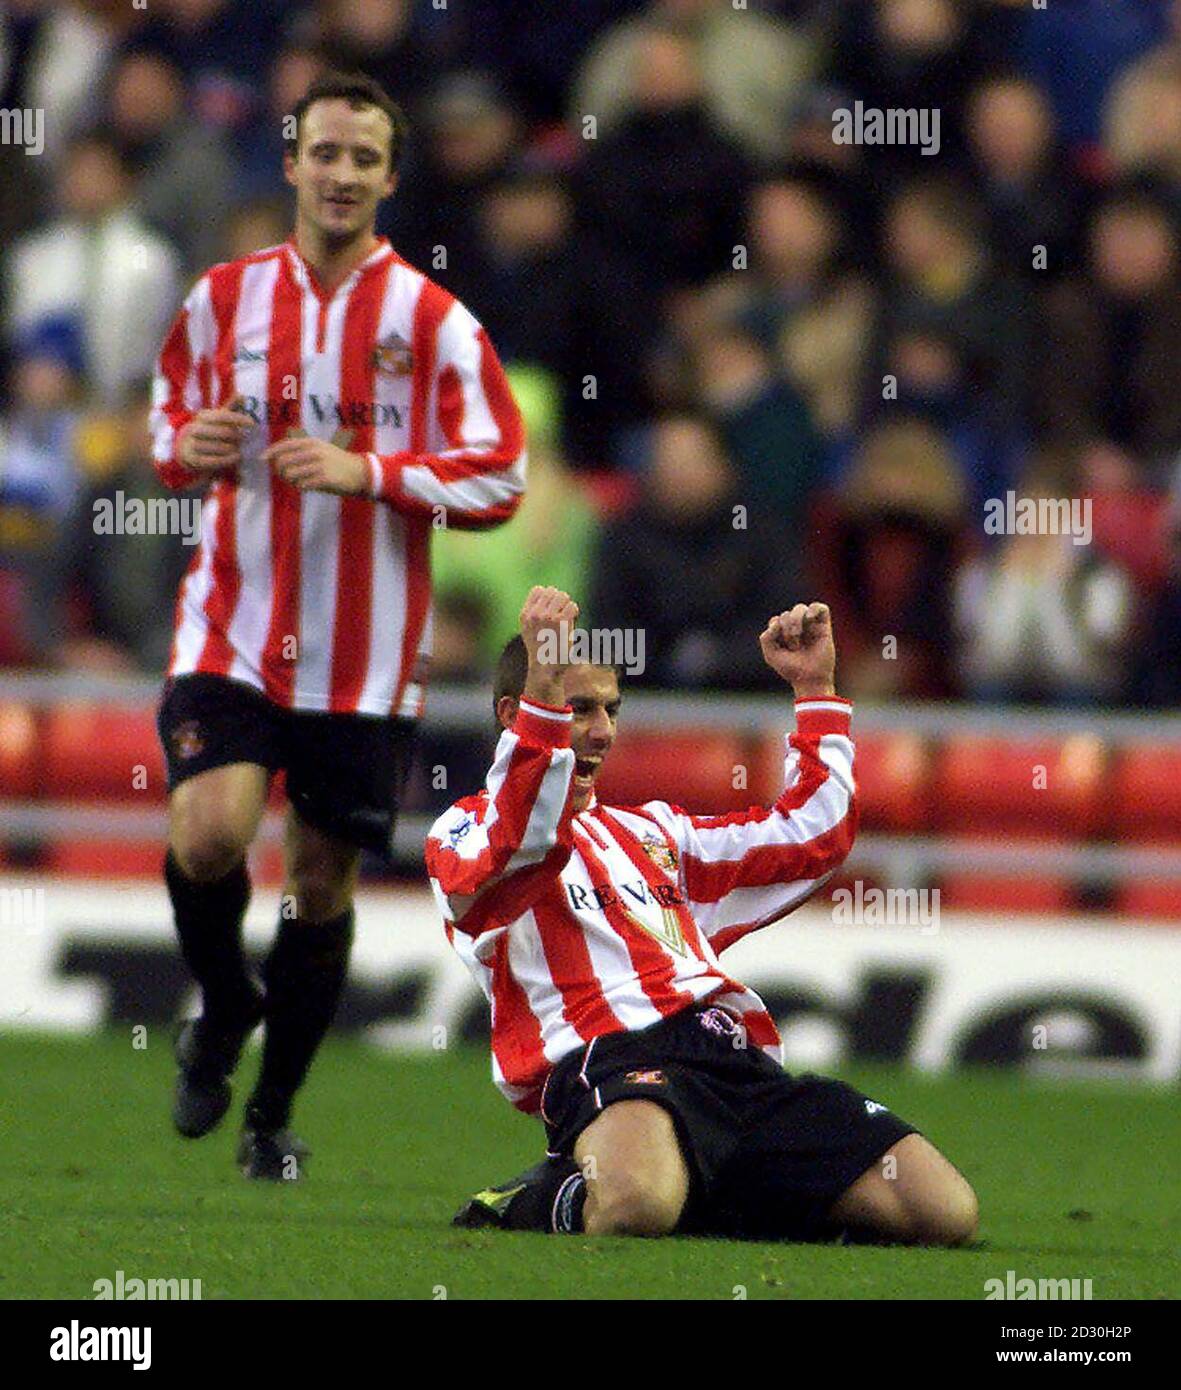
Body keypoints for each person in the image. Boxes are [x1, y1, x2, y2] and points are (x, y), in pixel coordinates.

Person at [149, 70, 526, 1180]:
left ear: (389, 177)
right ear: (291, 162)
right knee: (208, 835)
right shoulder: (223, 297)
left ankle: (269, 1114)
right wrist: (188, 449)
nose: (342, 173)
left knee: (319, 880)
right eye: (325, 152)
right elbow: (166, 419)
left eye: (364, 158)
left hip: (362, 662)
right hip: (230, 625)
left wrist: (369, 470)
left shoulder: (431, 319)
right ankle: (223, 1004)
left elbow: (499, 473)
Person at [428, 586, 978, 1244]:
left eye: (610, 709)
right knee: (634, 1210)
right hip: (608, 1059)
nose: (601, 730)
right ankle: (536, 1195)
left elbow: (810, 838)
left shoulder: (656, 832)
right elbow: (519, 847)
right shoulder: (462, 832)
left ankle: (711, 1187)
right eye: (576, 708)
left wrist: (815, 693)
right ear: (513, 713)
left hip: (728, 1058)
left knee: (939, 1213)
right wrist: (543, 714)